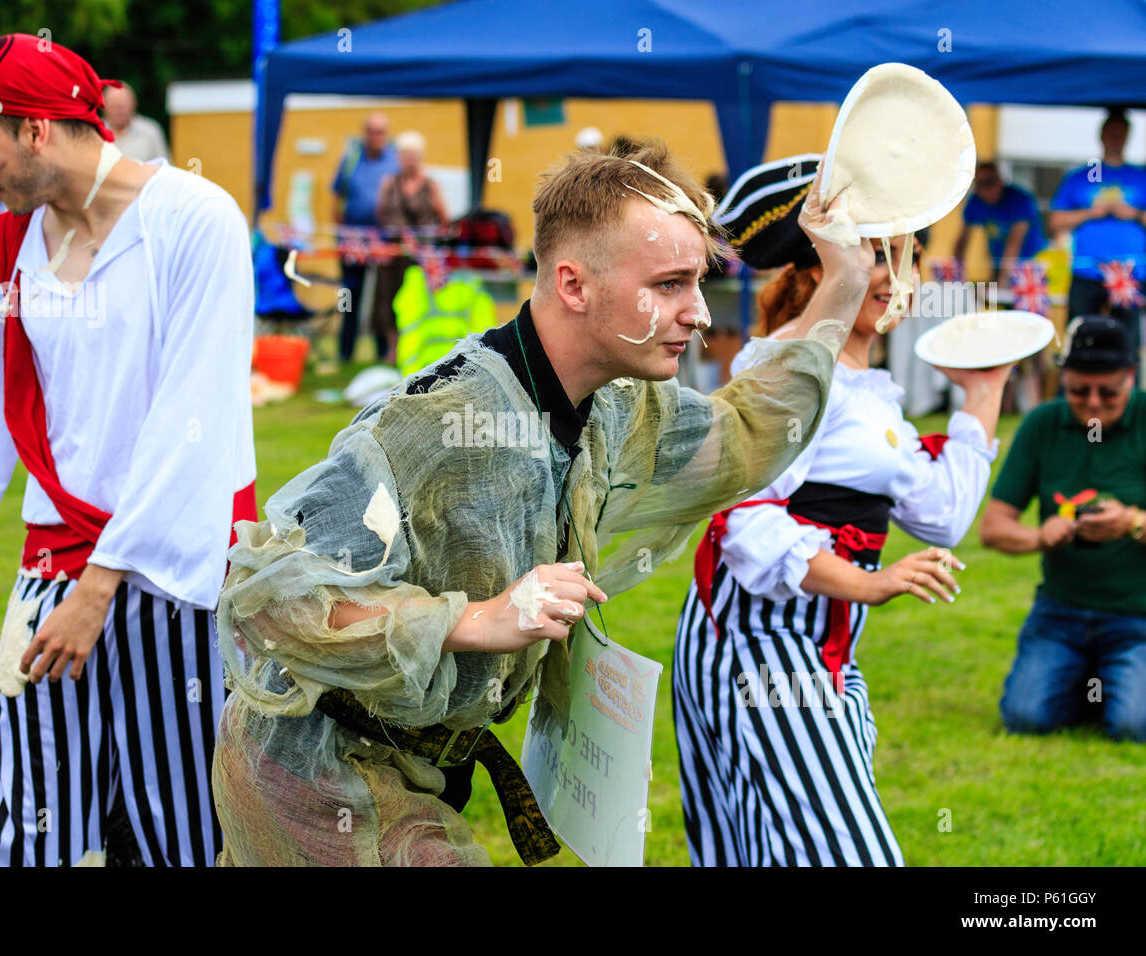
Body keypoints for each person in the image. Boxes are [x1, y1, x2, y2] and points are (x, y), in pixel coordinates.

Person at [209, 140, 869, 867]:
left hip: (418, 768)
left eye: (699, 282)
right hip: (314, 771)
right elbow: (265, 592)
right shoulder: (440, 421)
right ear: (575, 286)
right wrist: (476, 619)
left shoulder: (621, 407)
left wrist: (844, 280)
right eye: (671, 284)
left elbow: (747, 434)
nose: (701, 314)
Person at [0, 34, 257, 866]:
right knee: (37, 818)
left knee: (176, 822)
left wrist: (102, 583)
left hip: (173, 575)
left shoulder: (195, 218)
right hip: (52, 571)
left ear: (35, 130)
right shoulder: (14, 244)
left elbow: (198, 418)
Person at [674, 155, 1009, 867]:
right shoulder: (790, 361)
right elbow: (746, 522)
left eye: (904, 253)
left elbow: (942, 515)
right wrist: (871, 583)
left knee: (781, 845)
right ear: (820, 268)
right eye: (875, 254)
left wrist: (982, 393)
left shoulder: (868, 385)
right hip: (755, 641)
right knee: (844, 851)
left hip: (819, 643)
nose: (894, 273)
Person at [980, 315, 1146, 742]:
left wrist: (1132, 521)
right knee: (1025, 719)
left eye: (1107, 393)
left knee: (1132, 727)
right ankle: (1097, 682)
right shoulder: (1043, 424)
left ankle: (1107, 685)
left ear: (1131, 376)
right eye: (1078, 391)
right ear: (1063, 379)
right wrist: (1040, 537)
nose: (1092, 404)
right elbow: (994, 528)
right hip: (1061, 614)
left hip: (1136, 617)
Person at [1049, 110, 1146, 361]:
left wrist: (1134, 214)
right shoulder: (1084, 175)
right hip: (1086, 271)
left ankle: (1128, 393)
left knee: (1127, 342)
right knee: (1080, 338)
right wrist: (1091, 212)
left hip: (1129, 274)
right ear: (1101, 135)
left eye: (1120, 133)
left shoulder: (1140, 176)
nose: (1115, 138)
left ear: (1127, 136)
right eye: (1110, 133)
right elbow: (1056, 221)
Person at [372, 130, 448, 365]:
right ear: (398, 157)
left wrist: (428, 243)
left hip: (419, 258)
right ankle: (393, 349)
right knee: (388, 300)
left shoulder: (430, 185)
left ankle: (418, 347)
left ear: (421, 156)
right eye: (405, 154)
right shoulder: (389, 184)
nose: (409, 159)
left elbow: (444, 218)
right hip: (392, 256)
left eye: (414, 154)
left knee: (416, 300)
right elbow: (380, 215)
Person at [332, 112, 398, 362]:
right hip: (352, 240)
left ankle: (383, 352)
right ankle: (345, 351)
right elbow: (337, 198)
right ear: (365, 134)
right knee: (350, 295)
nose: (377, 136)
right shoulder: (351, 160)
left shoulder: (394, 162)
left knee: (382, 297)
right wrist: (339, 235)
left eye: (382, 131)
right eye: (373, 131)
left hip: (383, 242)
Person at [954, 161, 1046, 279]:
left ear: (1000, 181)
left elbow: (1014, 243)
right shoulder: (975, 202)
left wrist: (1002, 282)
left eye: (990, 182)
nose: (987, 189)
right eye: (981, 184)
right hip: (999, 264)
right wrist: (956, 275)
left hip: (1031, 265)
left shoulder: (1020, 200)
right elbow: (962, 241)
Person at [102, 84, 169, 161]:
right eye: (113, 106)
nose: (118, 111)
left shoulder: (151, 131)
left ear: (133, 104)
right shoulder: (93, 133)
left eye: (122, 106)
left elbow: (164, 168)